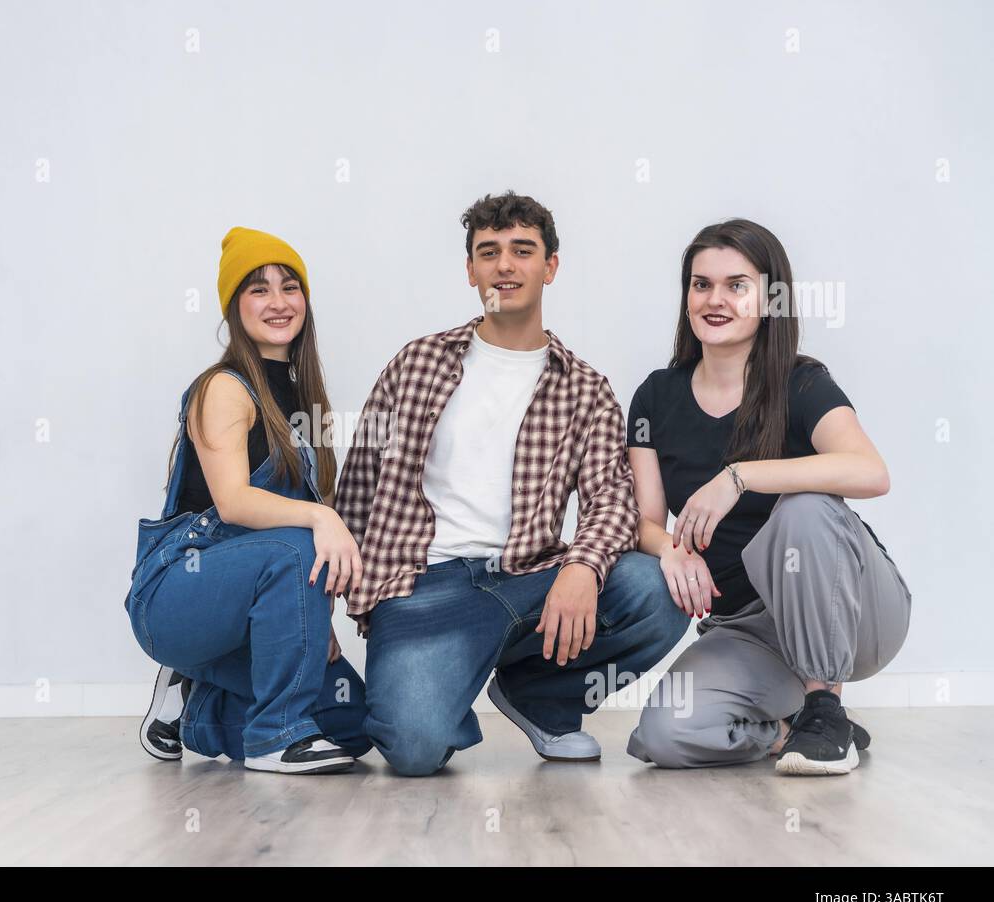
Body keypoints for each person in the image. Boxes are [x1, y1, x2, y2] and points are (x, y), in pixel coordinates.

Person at [333, 191, 689, 777]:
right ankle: (449, 681)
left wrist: (580, 567)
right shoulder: (415, 363)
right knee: (413, 751)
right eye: (489, 252)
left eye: (522, 250)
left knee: (655, 587)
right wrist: (336, 606)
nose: (505, 266)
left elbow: (614, 505)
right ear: (470, 269)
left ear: (550, 266)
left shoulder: (585, 388)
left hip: (532, 579)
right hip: (423, 586)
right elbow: (358, 488)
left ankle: (540, 695)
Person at [624, 218, 912, 775]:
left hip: (852, 611)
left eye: (737, 285)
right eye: (700, 284)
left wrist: (740, 476)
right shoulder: (655, 397)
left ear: (770, 298)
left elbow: (871, 473)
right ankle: (791, 728)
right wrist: (671, 551)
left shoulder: (803, 384)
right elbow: (645, 521)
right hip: (749, 628)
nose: (715, 299)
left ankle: (825, 705)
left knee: (804, 507)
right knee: (663, 735)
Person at [126, 227, 371, 774]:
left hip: (259, 604)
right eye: (258, 289)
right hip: (176, 594)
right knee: (298, 546)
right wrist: (320, 515)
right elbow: (234, 504)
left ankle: (197, 705)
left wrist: (310, 617)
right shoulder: (224, 388)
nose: (279, 302)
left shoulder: (306, 398)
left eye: (290, 286)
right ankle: (273, 739)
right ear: (234, 307)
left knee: (355, 722)